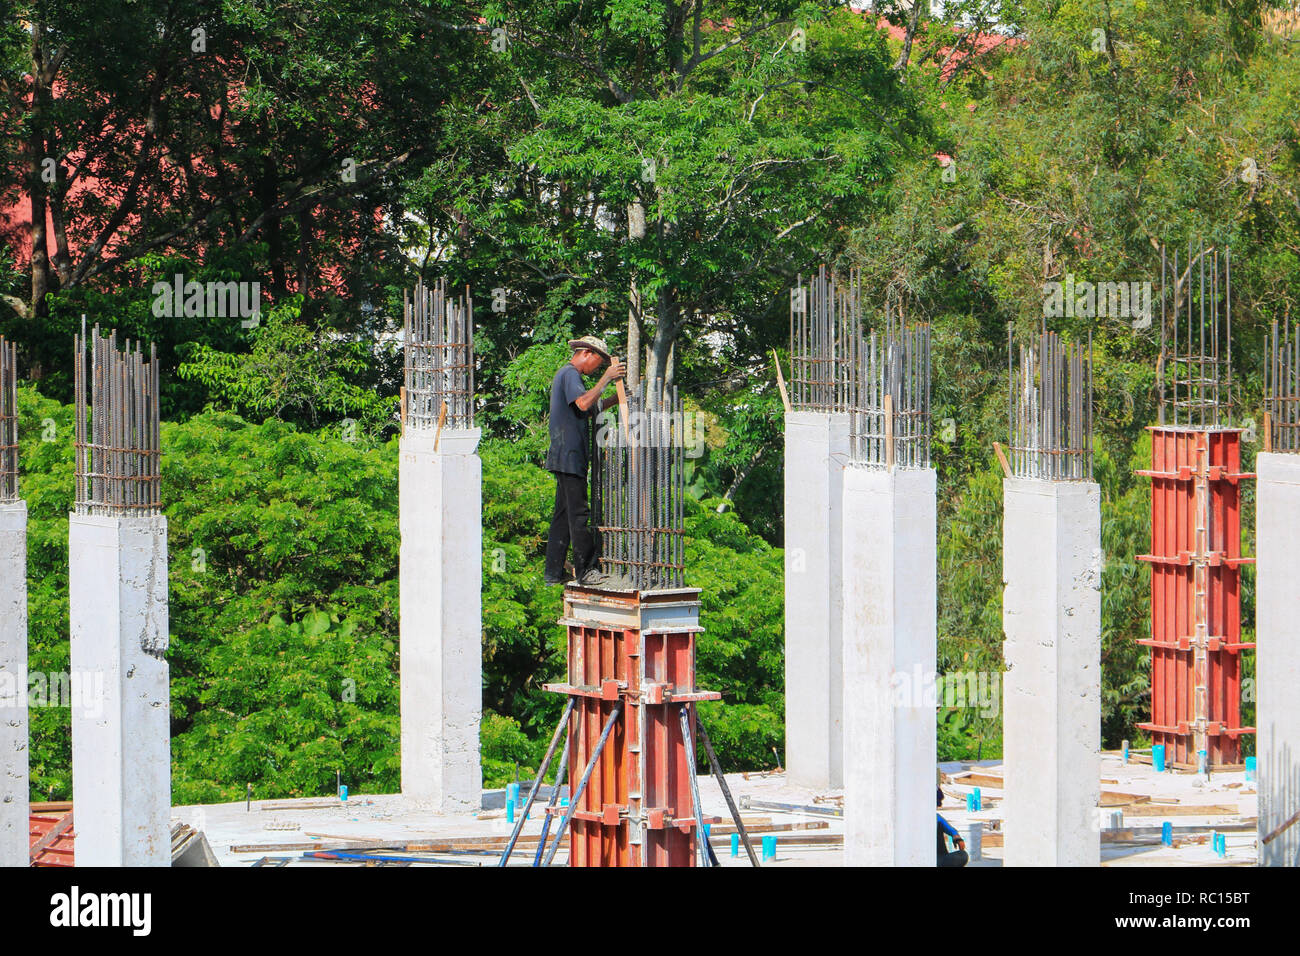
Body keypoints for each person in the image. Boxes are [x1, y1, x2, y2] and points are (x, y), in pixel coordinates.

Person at [543, 335, 625, 586]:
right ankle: (586, 570)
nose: (596, 371)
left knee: (563, 515)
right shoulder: (570, 374)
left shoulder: (569, 377)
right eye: (598, 365)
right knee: (579, 514)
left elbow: (591, 408)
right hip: (569, 455)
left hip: (565, 455)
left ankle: (553, 573)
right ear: (587, 354)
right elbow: (582, 403)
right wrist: (607, 378)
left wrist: (619, 398)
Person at [937, 787, 969, 867]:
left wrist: (956, 836)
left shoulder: (936, 818)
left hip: (941, 857)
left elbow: (951, 830)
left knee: (962, 856)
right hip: (932, 859)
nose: (939, 805)